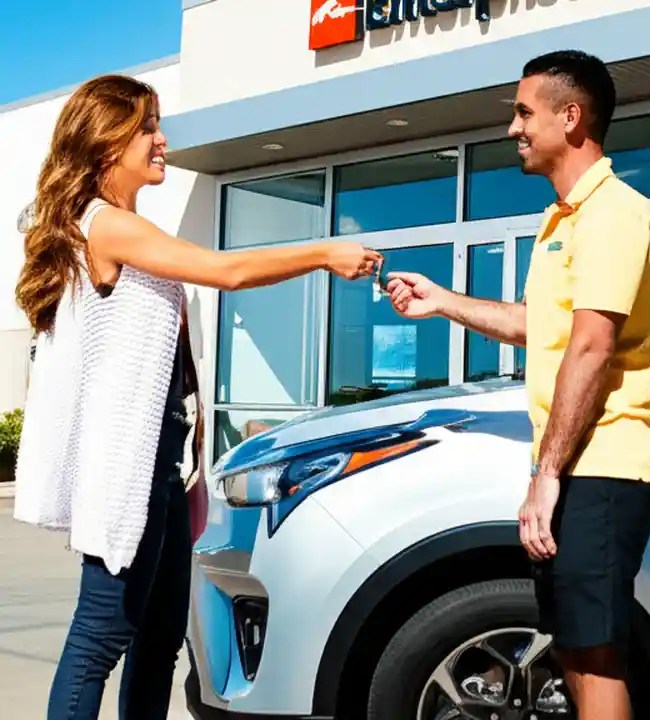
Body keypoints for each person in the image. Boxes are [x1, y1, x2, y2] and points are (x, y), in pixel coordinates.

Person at [11, 74, 380, 719]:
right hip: (128, 472)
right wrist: (323, 252)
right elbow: (226, 270)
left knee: (157, 644)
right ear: (106, 143)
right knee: (100, 638)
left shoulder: (123, 226)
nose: (162, 140)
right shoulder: (107, 226)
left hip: (164, 468)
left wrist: (191, 460)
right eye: (147, 127)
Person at [385, 50, 650, 719]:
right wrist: (443, 301)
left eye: (523, 112)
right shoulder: (559, 221)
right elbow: (541, 326)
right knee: (574, 648)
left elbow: (593, 348)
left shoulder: (613, 214)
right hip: (578, 467)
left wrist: (547, 474)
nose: (513, 127)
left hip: (604, 465)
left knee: (593, 657)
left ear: (571, 118)